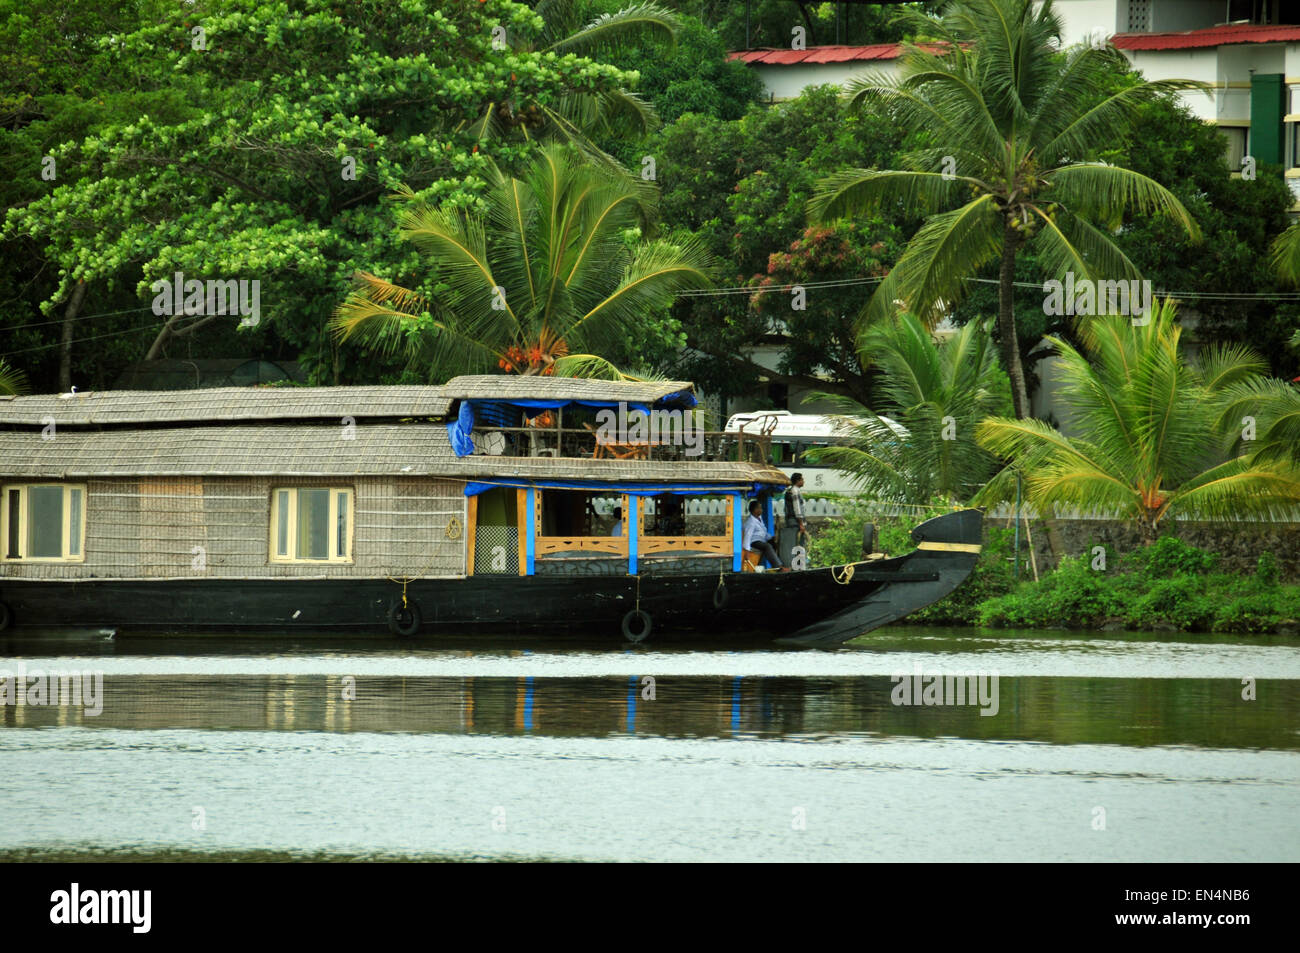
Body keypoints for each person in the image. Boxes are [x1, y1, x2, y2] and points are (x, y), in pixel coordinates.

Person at [742, 500, 788, 571]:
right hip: (754, 542)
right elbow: (747, 536)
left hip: (762, 540)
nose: (761, 510)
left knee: (777, 543)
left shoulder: (759, 519)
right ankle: (779, 567)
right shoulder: (750, 522)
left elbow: (763, 533)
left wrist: (772, 538)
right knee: (767, 546)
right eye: (759, 508)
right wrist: (747, 551)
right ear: (754, 510)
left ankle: (782, 564)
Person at [784, 473, 807, 541]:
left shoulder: (791, 490)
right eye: (802, 479)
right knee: (796, 542)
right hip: (795, 521)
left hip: (792, 520)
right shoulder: (795, 491)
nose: (803, 481)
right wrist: (801, 524)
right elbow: (797, 508)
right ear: (797, 481)